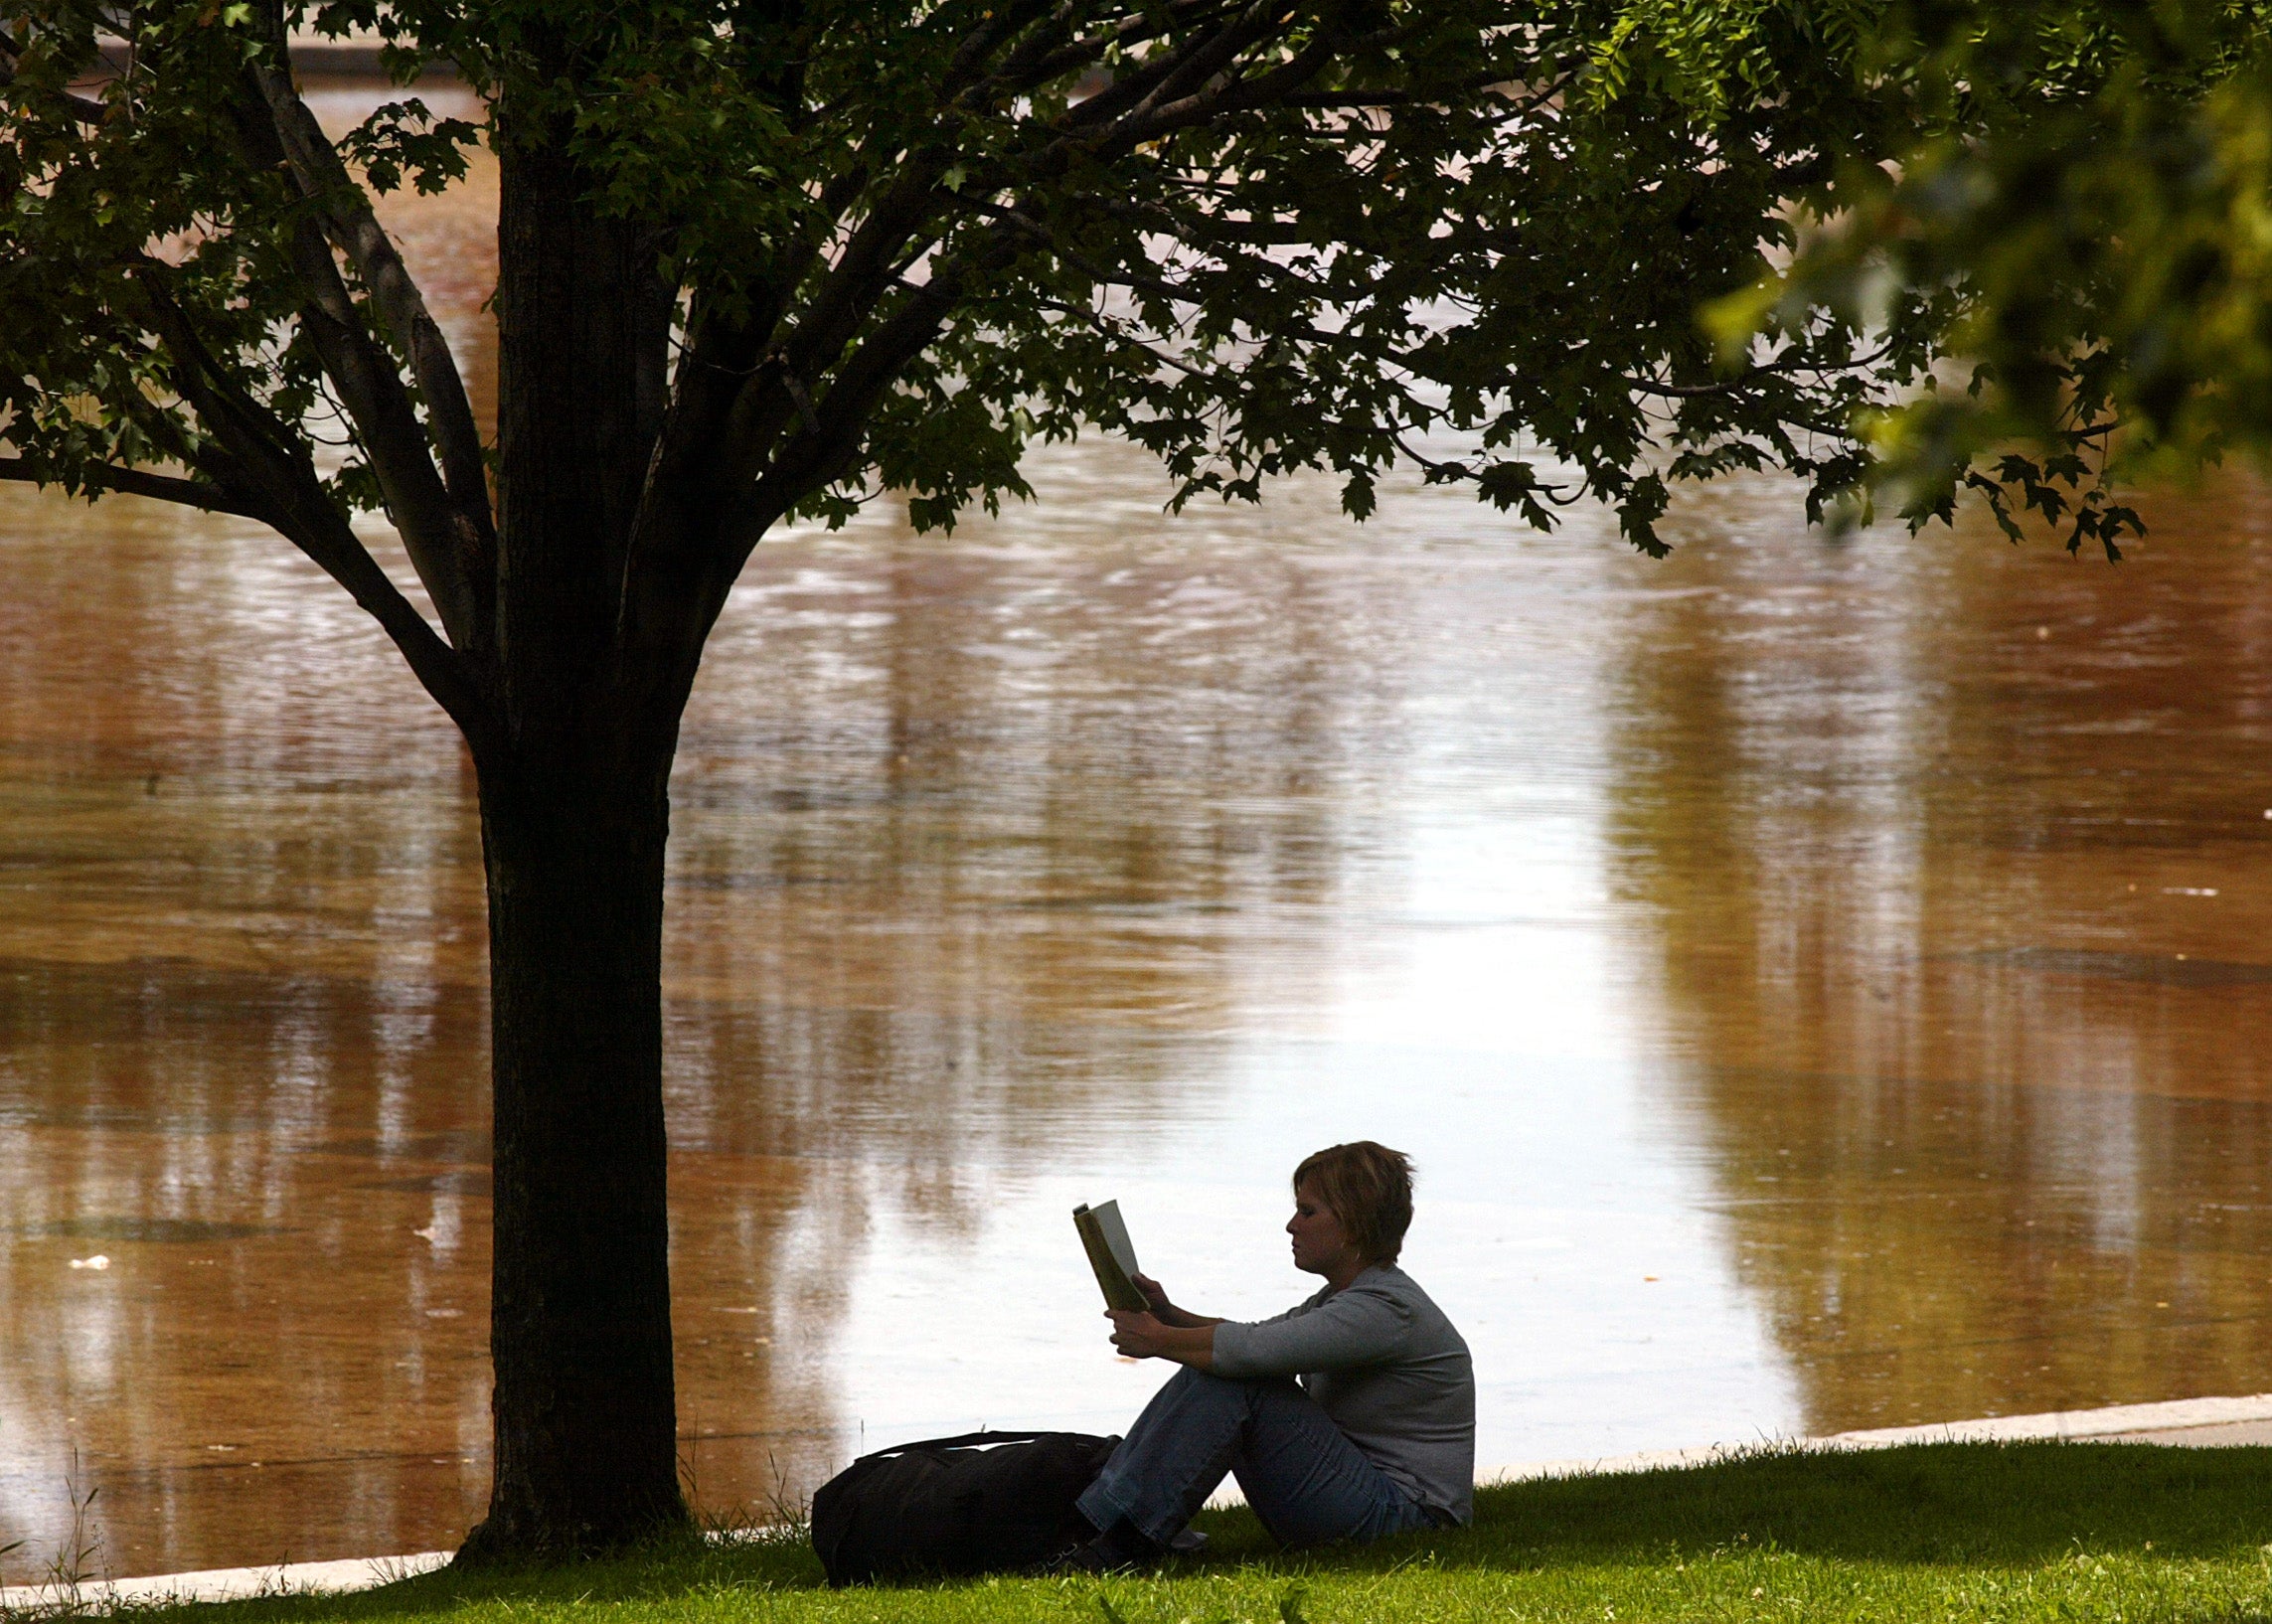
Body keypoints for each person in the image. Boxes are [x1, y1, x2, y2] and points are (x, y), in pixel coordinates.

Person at [1062, 1141, 1474, 1571]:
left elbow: (1252, 1353)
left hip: (1409, 1520)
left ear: (1353, 1225)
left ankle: (1110, 1540)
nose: (1291, 1226)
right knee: (1234, 1372)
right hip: (1370, 1498)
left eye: (1308, 1212)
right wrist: (1169, 1317)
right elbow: (1262, 1338)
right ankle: (1105, 1526)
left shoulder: (1384, 1310)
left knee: (1239, 1379)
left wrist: (1158, 1340)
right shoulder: (1349, 1297)